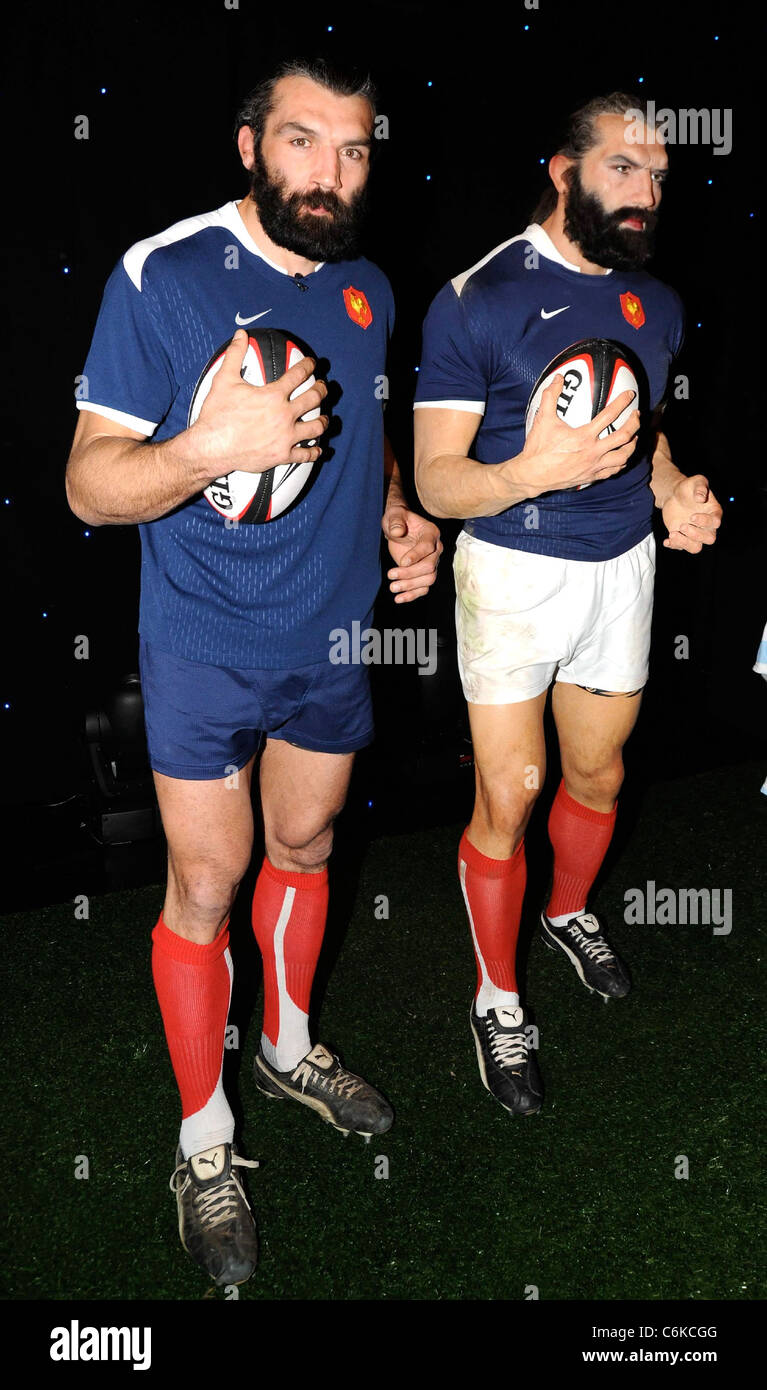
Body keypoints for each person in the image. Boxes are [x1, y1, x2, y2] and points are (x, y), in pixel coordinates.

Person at [66, 57, 442, 1286]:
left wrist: (397, 515)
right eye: (300, 143)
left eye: (351, 150)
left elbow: (370, 429)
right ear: (248, 148)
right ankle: (204, 1135)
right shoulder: (161, 274)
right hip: (202, 643)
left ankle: (285, 1045)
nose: (327, 176)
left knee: (307, 847)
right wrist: (208, 443)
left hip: (330, 645)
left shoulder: (368, 285)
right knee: (208, 880)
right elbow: (90, 483)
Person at [413, 93, 721, 1119]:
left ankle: (569, 909)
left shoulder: (657, 303)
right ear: (561, 170)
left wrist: (673, 488)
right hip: (507, 572)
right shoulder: (475, 299)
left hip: (621, 567)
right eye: (622, 170)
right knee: (510, 797)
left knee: (597, 769)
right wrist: (529, 470)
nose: (643, 194)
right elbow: (436, 484)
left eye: (657, 179)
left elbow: (646, 437)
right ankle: (497, 1000)